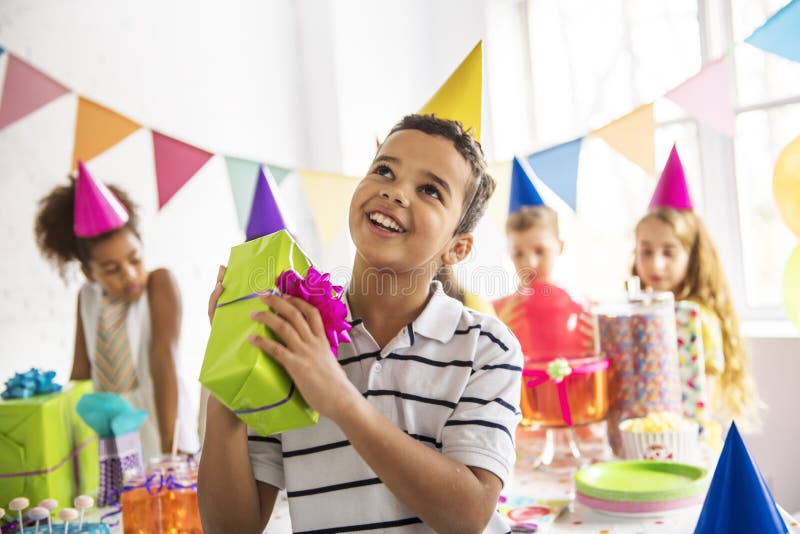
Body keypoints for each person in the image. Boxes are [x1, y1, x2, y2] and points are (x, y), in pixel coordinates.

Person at [199, 114, 522, 533]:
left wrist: (340, 400)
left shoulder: (487, 346)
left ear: (456, 248)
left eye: (429, 190)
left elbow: (469, 517)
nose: (395, 191)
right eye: (384, 170)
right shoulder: (294, 331)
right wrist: (231, 367)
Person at [34, 162, 199, 461]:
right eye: (112, 269)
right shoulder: (87, 297)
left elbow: (164, 360)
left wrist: (170, 449)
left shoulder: (159, 284)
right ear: (89, 273)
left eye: (135, 259)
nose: (130, 275)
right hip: (112, 435)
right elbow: (81, 374)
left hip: (162, 421)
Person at [633, 207, 758, 427]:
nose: (656, 264)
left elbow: (699, 406)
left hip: (685, 437)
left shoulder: (698, 321)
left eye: (669, 253)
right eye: (646, 251)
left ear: (692, 257)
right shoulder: (636, 316)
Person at [493, 204, 596, 362]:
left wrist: (601, 345)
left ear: (560, 246)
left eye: (540, 251)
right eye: (518, 254)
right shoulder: (494, 314)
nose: (530, 264)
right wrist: (493, 336)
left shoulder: (588, 312)